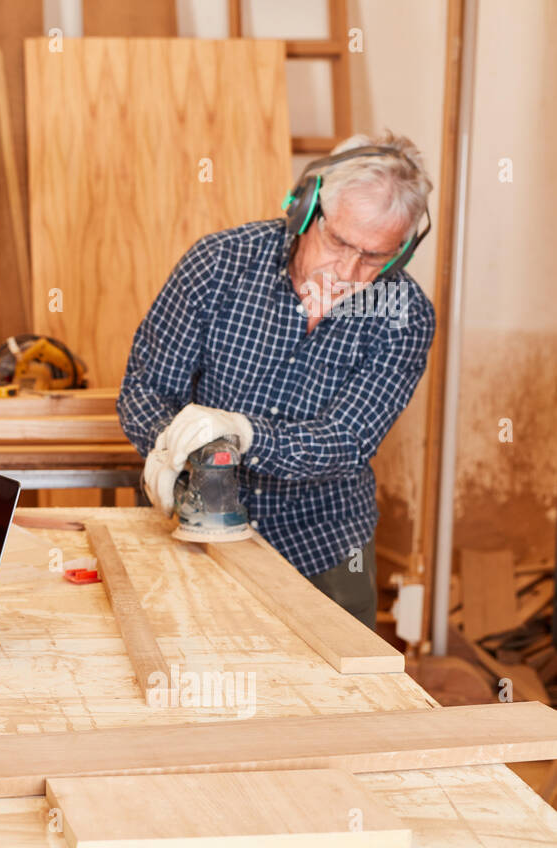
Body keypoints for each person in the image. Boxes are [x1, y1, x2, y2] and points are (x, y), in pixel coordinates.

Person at [118, 132, 436, 629]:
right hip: (193, 529)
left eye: (375, 257)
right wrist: (171, 451)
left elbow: (347, 440)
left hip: (323, 546)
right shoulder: (219, 263)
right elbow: (146, 388)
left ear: (402, 252)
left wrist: (244, 435)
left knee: (337, 697)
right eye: (338, 242)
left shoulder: (405, 314)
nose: (349, 271)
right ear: (304, 211)